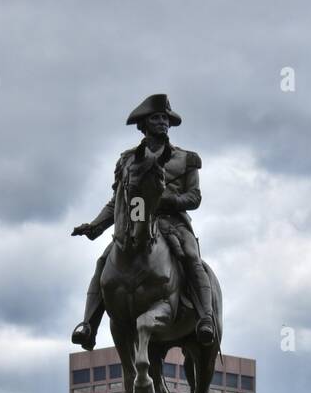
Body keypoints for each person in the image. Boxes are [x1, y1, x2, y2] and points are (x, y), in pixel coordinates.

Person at [71, 94, 216, 349]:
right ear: (144, 125)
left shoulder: (186, 158)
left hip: (173, 222)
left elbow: (194, 197)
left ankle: (206, 318)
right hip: (135, 219)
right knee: (104, 260)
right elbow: (117, 199)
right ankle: (88, 325)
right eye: (156, 118)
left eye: (165, 118)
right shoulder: (127, 160)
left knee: (191, 256)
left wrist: (166, 200)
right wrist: (95, 226)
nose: (163, 122)